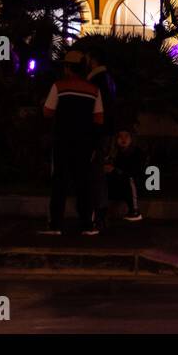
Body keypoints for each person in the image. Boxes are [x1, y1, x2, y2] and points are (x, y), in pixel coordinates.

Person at [41, 50, 105, 236]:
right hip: (85, 143)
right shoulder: (94, 90)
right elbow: (99, 119)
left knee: (59, 182)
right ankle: (87, 224)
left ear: (68, 68)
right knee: (84, 183)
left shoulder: (59, 86)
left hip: (62, 140)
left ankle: (55, 225)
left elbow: (47, 112)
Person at [85, 47, 117, 228]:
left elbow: (97, 110)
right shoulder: (109, 79)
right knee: (100, 172)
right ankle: (101, 212)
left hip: (98, 132)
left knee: (96, 173)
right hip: (106, 131)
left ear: (93, 59)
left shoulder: (96, 81)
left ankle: (98, 213)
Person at [103, 129, 147, 222]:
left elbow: (134, 172)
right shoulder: (114, 152)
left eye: (126, 136)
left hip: (134, 185)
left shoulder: (137, 153)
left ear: (131, 139)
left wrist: (115, 170)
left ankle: (135, 211)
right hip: (118, 185)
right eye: (120, 136)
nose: (123, 139)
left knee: (129, 179)